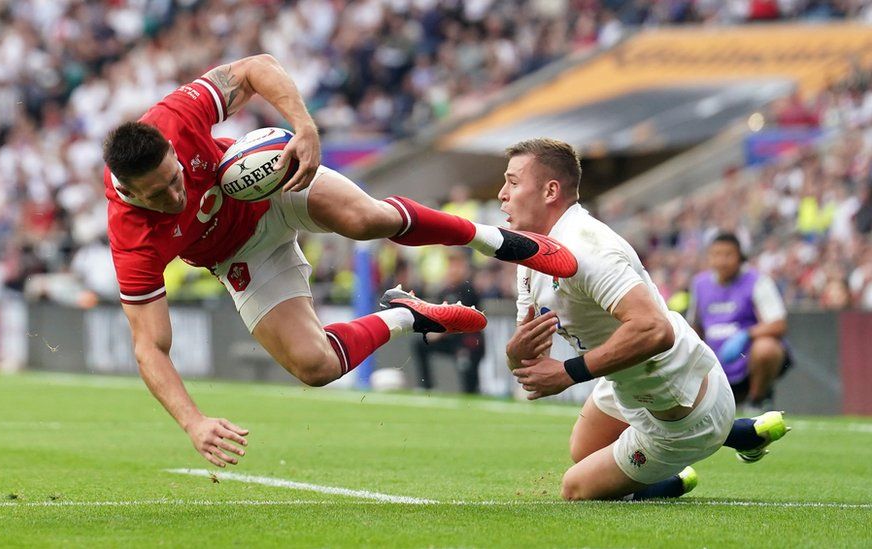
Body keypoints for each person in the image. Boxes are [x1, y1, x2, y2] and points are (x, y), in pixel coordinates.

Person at [101, 54, 577, 469]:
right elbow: (150, 348)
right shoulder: (132, 236)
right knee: (315, 366)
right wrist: (194, 422)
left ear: (170, 150)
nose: (176, 192)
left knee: (365, 218)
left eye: (175, 175)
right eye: (159, 194)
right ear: (129, 190)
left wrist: (304, 126)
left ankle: (494, 239)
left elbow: (255, 68)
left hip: (271, 186)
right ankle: (408, 314)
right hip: (239, 255)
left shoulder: (174, 119)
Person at [499, 138, 790, 501]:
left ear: (550, 190)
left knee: (575, 487)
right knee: (583, 452)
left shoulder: (589, 248)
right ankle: (721, 445)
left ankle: (712, 436)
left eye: (512, 182)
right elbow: (527, 357)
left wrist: (568, 372)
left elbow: (655, 329)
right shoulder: (532, 254)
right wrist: (515, 352)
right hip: (630, 383)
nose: (501, 194)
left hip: (681, 413)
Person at [688, 233, 792, 414]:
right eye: (716, 255)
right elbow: (694, 327)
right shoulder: (699, 284)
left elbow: (778, 324)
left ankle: (757, 400)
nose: (722, 261)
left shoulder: (758, 281)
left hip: (747, 358)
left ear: (740, 257)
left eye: (728, 255)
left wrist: (746, 335)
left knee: (766, 348)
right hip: (714, 362)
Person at [412, 249, 485, 393]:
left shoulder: (469, 290)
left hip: (468, 340)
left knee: (468, 375)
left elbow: (462, 319)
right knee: (421, 345)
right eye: (450, 265)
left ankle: (472, 391)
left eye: (456, 265)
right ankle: (427, 386)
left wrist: (439, 333)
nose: (452, 270)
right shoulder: (445, 290)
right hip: (450, 338)